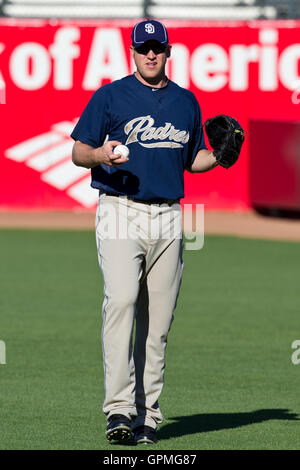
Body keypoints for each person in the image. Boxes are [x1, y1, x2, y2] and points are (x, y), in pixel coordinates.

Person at [71, 19, 218, 445]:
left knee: (157, 323)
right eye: (143, 47)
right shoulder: (111, 95)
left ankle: (147, 415)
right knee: (120, 301)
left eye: (157, 47)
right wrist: (100, 153)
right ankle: (118, 410)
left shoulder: (186, 103)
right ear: (133, 52)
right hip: (120, 210)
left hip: (171, 217)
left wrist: (221, 157)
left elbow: (194, 160)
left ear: (168, 51)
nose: (150, 54)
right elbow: (79, 150)